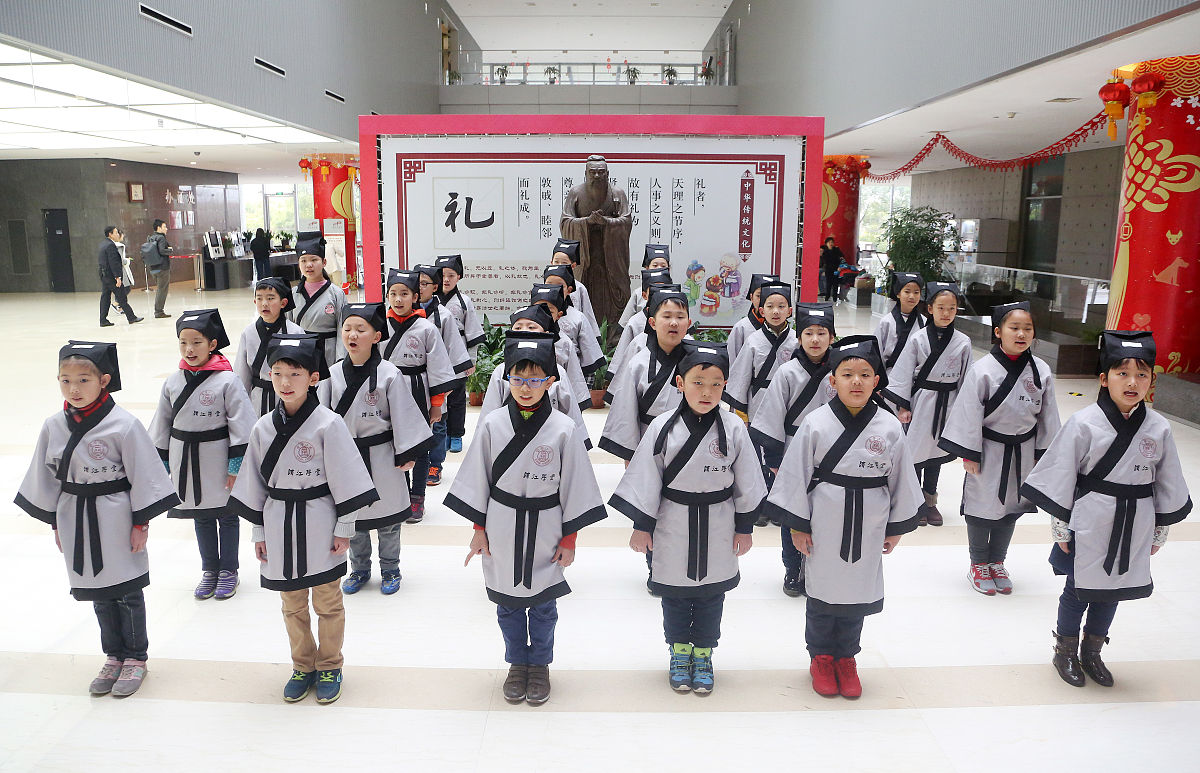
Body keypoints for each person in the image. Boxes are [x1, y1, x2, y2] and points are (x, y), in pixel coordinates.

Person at [1021, 331, 1191, 688]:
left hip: (1135, 519)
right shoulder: (1084, 423)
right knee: (1077, 588)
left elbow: (1168, 482)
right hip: (1089, 518)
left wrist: (1160, 528)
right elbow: (1061, 475)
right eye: (1122, 373)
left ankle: (1093, 650)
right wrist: (1060, 525)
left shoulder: (1158, 428)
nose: (1132, 382)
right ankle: (1064, 650)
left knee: (1114, 586)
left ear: (1152, 381)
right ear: (1104, 378)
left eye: (1142, 374)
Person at [15, 342, 179, 698]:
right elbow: (47, 480)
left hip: (117, 514)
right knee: (99, 592)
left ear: (104, 380)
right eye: (65, 381)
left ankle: (136, 657)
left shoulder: (124, 424)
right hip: (76, 514)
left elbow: (144, 475)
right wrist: (58, 523)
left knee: (128, 590)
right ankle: (113, 655)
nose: (74, 389)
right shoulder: (53, 426)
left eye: (84, 380)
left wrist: (141, 524)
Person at [450, 334, 606, 706]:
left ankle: (540, 665)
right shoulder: (491, 425)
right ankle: (516, 663)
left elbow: (576, 487)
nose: (525, 387)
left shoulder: (564, 429)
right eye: (518, 379)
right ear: (507, 380)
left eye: (536, 379)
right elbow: (477, 479)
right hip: (501, 521)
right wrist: (478, 530)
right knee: (507, 602)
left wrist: (570, 539)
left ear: (550, 382)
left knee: (544, 603)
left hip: (548, 523)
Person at [763, 335, 922, 699]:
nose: (856, 381)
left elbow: (902, 479)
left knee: (857, 590)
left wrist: (896, 528)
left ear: (876, 381)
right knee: (821, 588)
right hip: (824, 520)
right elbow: (794, 478)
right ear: (831, 381)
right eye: (846, 374)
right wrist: (798, 527)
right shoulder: (815, 424)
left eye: (864, 375)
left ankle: (847, 657)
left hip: (870, 520)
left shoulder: (889, 426)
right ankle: (820, 656)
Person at [228, 334, 379, 705]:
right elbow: (255, 485)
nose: (284, 382)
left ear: (313, 378)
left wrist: (345, 528)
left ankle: (329, 663)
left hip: (320, 519)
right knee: (291, 602)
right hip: (278, 520)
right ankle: (302, 664)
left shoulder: (329, 424)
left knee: (328, 600)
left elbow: (348, 478)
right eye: (277, 373)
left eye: (294, 374)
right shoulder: (263, 427)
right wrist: (258, 532)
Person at [609, 342, 766, 694]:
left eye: (716, 383)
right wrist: (642, 526)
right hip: (672, 521)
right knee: (675, 594)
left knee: (712, 594)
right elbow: (646, 477)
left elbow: (748, 480)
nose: (707, 391)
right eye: (698, 382)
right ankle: (679, 652)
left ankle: (705, 653)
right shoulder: (663, 426)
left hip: (720, 520)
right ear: (680, 383)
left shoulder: (734, 428)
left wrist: (745, 527)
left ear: (726, 386)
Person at [938, 302, 1062, 596]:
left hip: (1024, 450)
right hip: (988, 448)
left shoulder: (1040, 370)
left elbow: (1049, 415)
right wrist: (969, 452)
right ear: (998, 332)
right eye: (1014, 328)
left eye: (1027, 328)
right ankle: (978, 564)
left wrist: (1045, 453)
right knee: (982, 507)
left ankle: (997, 561)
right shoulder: (983, 370)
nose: (1021, 334)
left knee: (1012, 508)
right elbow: (968, 411)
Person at [319, 303, 434, 596]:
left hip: (383, 454)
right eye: (347, 329)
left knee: (390, 520)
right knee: (352, 519)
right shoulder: (331, 374)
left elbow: (404, 415)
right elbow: (320, 417)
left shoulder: (389, 374)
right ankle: (359, 569)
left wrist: (407, 452)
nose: (352, 335)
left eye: (360, 329)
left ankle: (391, 568)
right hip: (347, 456)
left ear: (376, 335)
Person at [149, 309, 255, 600]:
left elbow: (242, 427)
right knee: (200, 514)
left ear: (212, 344)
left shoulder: (227, 381)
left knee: (228, 514)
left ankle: (229, 570)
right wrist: (163, 465)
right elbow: (161, 426)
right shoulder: (173, 382)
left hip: (219, 460)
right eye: (183, 343)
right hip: (187, 460)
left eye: (196, 342)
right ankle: (210, 568)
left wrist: (235, 468)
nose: (189, 349)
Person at [749, 303, 837, 597]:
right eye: (809, 333)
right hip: (791, 449)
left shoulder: (840, 373)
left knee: (825, 512)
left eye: (821, 333)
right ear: (799, 338)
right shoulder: (786, 373)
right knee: (792, 514)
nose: (815, 339)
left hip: (831, 452)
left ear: (832, 337)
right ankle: (792, 568)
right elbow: (771, 415)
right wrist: (774, 458)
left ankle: (819, 568)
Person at [881, 282, 972, 527]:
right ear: (930, 309)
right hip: (922, 400)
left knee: (937, 453)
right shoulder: (918, 338)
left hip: (948, 403)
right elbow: (904, 372)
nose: (946, 313)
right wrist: (903, 405)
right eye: (941, 307)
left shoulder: (963, 342)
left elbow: (966, 378)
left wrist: (964, 412)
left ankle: (930, 501)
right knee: (916, 453)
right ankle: (915, 502)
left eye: (952, 308)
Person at [381, 269, 462, 524]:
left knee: (420, 446)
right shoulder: (380, 326)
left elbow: (438, 367)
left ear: (416, 296)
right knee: (394, 445)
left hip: (418, 389)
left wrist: (437, 405)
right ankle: (401, 495)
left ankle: (418, 496)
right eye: (393, 294)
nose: (398, 299)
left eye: (404, 294)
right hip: (388, 391)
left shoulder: (426, 328)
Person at [599, 289, 691, 463]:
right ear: (652, 322)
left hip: (687, 438)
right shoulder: (638, 363)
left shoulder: (696, 361)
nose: (674, 323)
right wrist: (628, 455)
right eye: (667, 316)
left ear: (688, 322)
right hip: (646, 437)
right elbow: (626, 410)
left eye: (680, 317)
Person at [479, 307, 590, 438]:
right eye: (518, 328)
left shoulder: (558, 371)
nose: (525, 332)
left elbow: (570, 410)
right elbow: (490, 409)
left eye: (531, 327)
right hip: (507, 436)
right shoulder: (501, 371)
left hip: (550, 435)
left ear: (546, 332)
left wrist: (576, 439)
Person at [414, 263, 471, 488]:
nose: (419, 288)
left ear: (434, 287)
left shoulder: (444, 315)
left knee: (437, 421)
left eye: (424, 284)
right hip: (412, 376)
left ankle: (435, 463)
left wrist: (454, 377)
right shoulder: (406, 311)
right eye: (416, 283)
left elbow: (454, 347)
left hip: (437, 376)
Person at [435, 254, 486, 454]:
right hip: (435, 360)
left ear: (459, 277)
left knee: (456, 399)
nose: (446, 280)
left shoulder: (464, 301)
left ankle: (456, 435)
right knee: (439, 399)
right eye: (442, 275)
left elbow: (473, 333)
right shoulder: (430, 300)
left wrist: (469, 361)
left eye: (451, 275)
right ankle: (442, 432)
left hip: (457, 359)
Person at [233, 278, 305, 416]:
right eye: (259, 299)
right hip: (257, 397)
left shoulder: (295, 332)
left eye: (270, 298)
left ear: (283, 303)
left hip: (288, 395)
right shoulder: (248, 333)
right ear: (255, 302)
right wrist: (240, 403)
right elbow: (242, 373)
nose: (264, 304)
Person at [290, 247, 346, 380]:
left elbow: (343, 327)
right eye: (303, 261)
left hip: (328, 352)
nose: (308, 265)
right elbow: (288, 327)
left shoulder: (337, 293)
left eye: (314, 260)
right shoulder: (293, 294)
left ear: (324, 262)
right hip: (302, 352)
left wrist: (340, 359)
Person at [542, 264, 606, 379]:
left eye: (559, 285)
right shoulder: (531, 317)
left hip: (571, 374)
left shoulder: (578, 317)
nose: (554, 289)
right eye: (549, 284)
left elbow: (588, 354)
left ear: (569, 289)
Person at [610, 268, 675, 379]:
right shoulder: (635, 322)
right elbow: (623, 352)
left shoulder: (676, 321)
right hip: (639, 373)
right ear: (644, 295)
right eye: (654, 291)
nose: (659, 295)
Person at [874, 272, 926, 382]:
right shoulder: (886, 322)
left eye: (916, 292)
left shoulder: (924, 322)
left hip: (915, 379)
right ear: (898, 294)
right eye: (907, 292)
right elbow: (877, 352)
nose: (912, 296)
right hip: (890, 377)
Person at [550, 239, 599, 335]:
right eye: (556, 262)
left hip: (574, 331)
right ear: (551, 263)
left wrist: (594, 335)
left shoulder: (579, 288)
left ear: (573, 265)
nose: (560, 266)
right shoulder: (544, 287)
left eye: (564, 263)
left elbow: (587, 312)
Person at [726, 273, 779, 362]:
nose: (763, 300)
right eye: (758, 296)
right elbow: (731, 360)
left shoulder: (783, 329)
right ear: (751, 297)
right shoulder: (741, 327)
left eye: (769, 295)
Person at [98, 226, 142, 327]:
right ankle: (131, 317)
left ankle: (103, 320)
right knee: (121, 296)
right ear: (110, 234)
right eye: (116, 232)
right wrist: (117, 277)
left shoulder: (103, 244)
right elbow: (114, 263)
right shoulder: (110, 246)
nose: (118, 234)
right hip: (111, 276)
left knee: (105, 297)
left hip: (104, 275)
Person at [618, 245, 672, 326]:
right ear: (647, 268)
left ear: (669, 269)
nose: (659, 268)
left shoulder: (673, 292)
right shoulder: (638, 293)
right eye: (655, 265)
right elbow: (625, 322)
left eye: (663, 266)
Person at [147, 219, 173, 318]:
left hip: (153, 268)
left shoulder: (151, 238)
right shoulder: (161, 238)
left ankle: (158, 310)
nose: (166, 229)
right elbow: (162, 251)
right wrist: (170, 251)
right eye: (164, 227)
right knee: (162, 290)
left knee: (160, 289)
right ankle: (158, 311)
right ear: (159, 228)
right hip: (162, 268)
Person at [819, 237, 843, 302]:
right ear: (826, 244)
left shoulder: (836, 250)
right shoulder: (825, 252)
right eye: (829, 242)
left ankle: (835, 297)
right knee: (828, 283)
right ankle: (827, 296)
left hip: (836, 269)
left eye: (832, 242)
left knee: (835, 284)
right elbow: (824, 262)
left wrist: (840, 266)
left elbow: (842, 258)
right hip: (828, 269)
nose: (831, 243)